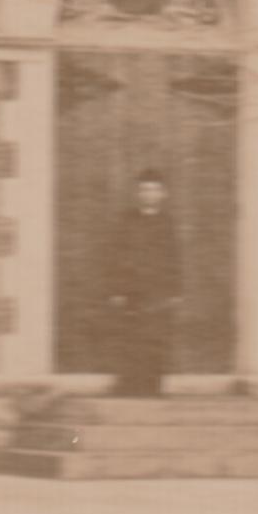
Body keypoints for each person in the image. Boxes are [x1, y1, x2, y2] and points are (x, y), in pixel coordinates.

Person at [108, 169, 182, 397]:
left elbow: (174, 257)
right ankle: (129, 386)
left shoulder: (167, 224)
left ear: (163, 194)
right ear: (137, 193)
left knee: (156, 338)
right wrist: (117, 290)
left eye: (154, 189)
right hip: (132, 291)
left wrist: (176, 291)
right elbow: (116, 256)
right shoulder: (126, 221)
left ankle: (153, 387)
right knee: (131, 337)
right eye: (144, 189)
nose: (149, 194)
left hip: (158, 291)